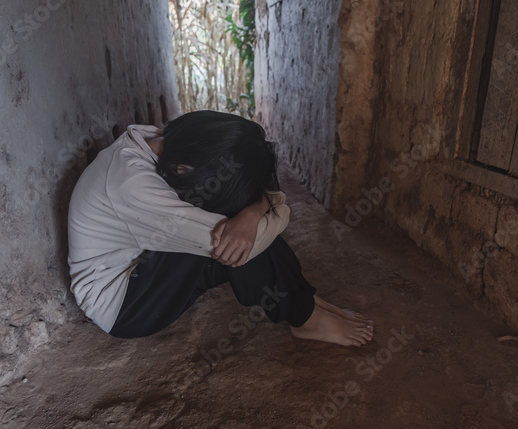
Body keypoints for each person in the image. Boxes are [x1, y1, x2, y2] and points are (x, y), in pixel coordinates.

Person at [66, 110, 374, 346]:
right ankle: (305, 317)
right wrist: (262, 208)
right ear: (184, 169)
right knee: (234, 239)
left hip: (142, 259)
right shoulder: (133, 186)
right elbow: (252, 238)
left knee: (239, 223)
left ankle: (303, 298)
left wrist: (254, 211)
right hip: (125, 304)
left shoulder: (160, 144)